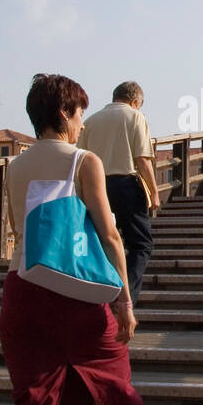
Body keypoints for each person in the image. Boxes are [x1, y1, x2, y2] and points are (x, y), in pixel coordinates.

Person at [0, 73, 142, 405]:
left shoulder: (13, 166)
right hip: (76, 295)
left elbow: (21, 230)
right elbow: (110, 234)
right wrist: (122, 297)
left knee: (32, 398)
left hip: (22, 289)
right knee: (111, 366)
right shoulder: (85, 161)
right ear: (64, 114)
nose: (82, 122)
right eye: (79, 112)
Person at [78, 82, 160, 307]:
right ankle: (125, 298)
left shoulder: (91, 121)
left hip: (96, 186)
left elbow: (80, 161)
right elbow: (142, 160)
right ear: (135, 102)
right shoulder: (135, 117)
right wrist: (154, 193)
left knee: (103, 242)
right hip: (126, 185)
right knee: (141, 244)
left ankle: (100, 295)